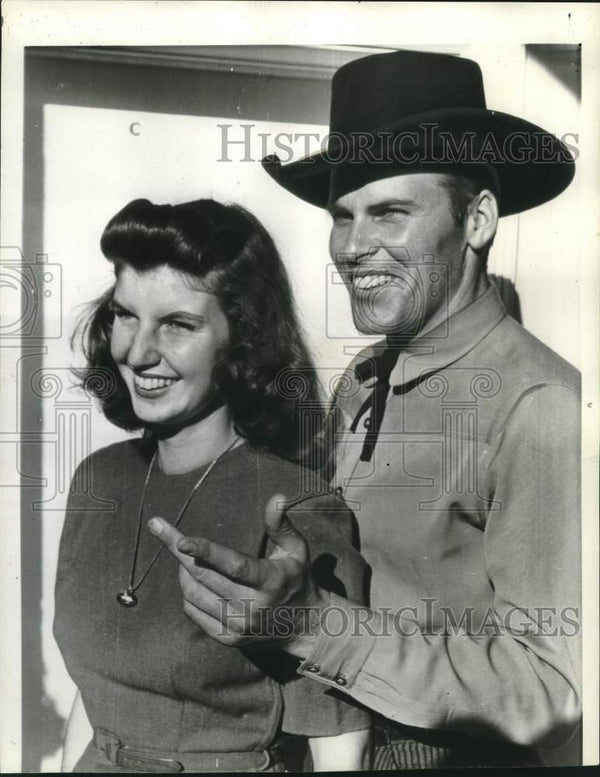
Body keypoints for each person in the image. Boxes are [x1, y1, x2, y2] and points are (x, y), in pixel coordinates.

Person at [151, 50, 582, 769]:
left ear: (477, 220)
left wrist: (312, 624)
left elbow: (550, 693)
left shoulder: (541, 409)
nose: (352, 246)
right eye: (341, 215)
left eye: (389, 212)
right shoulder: (366, 375)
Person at [53, 198, 371, 772]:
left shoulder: (297, 508)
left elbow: (336, 740)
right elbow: (98, 693)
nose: (136, 352)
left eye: (178, 324)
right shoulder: (99, 478)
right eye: (126, 316)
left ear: (242, 339)